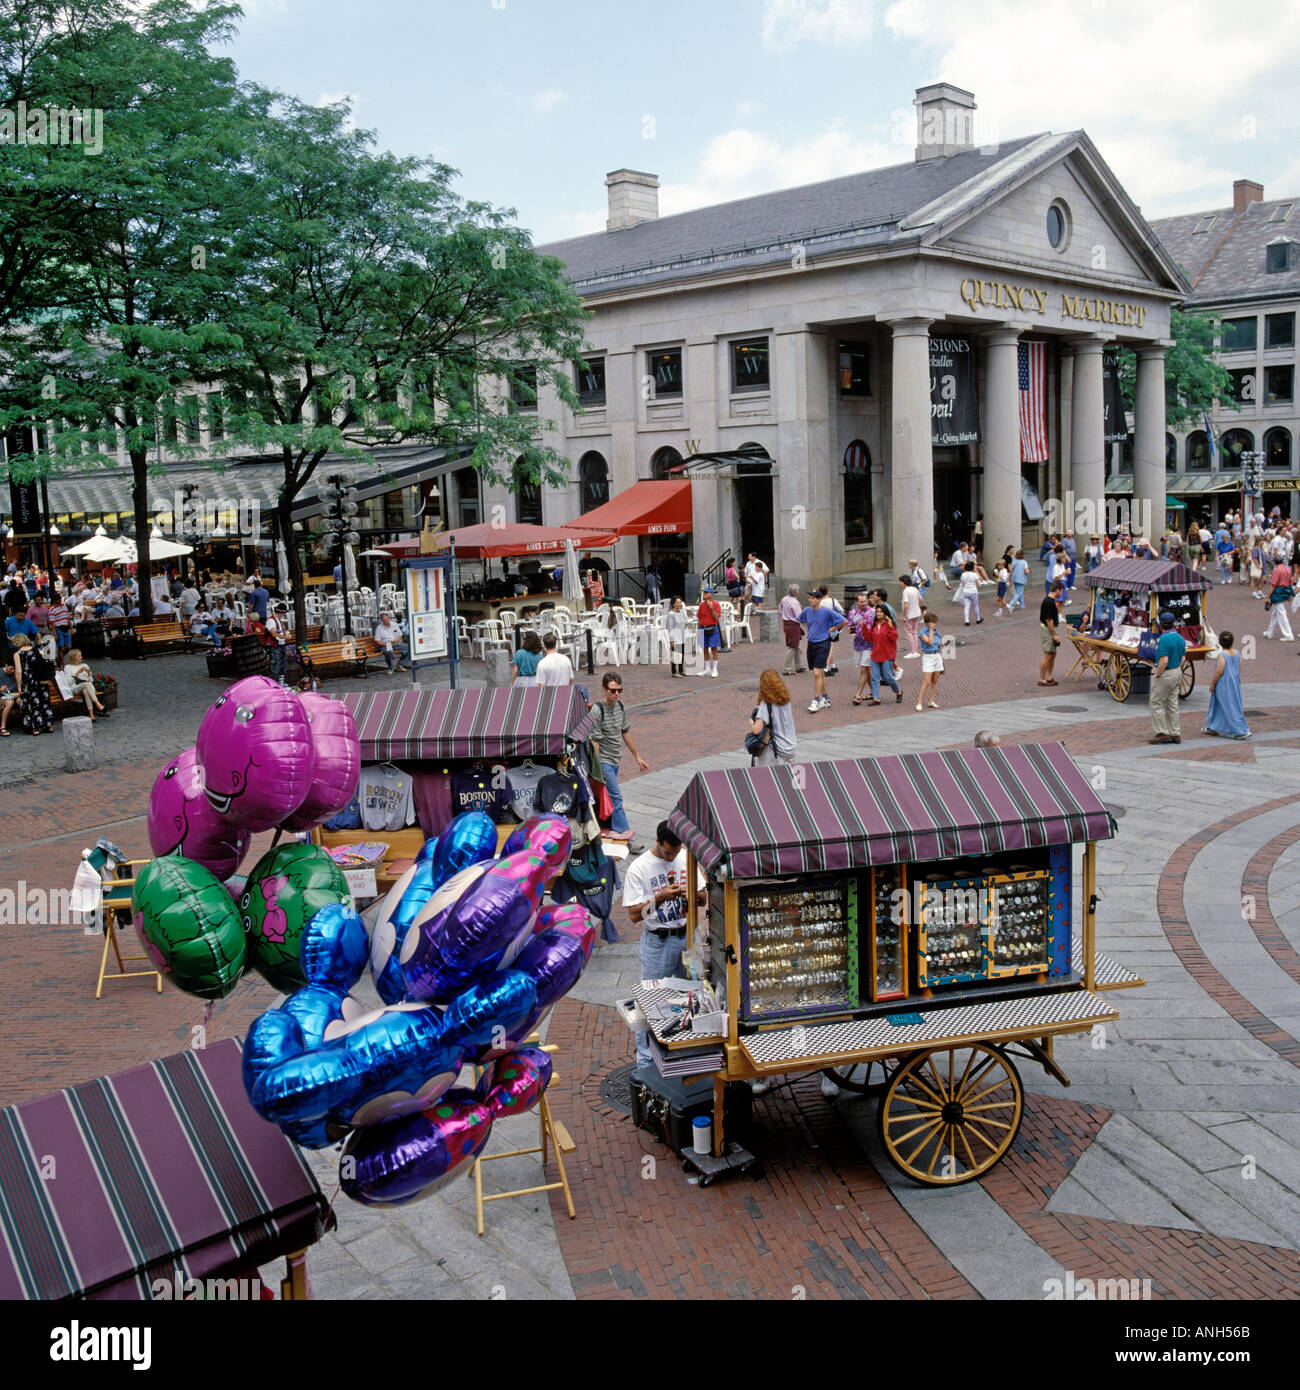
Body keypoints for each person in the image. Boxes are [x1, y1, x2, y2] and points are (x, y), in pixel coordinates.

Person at [623, 822, 707, 1070]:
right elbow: (635, 916)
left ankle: (686, 1050)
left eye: (676, 852)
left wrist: (688, 892)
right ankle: (646, 1061)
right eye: (668, 853)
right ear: (658, 843)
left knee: (692, 995)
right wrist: (659, 899)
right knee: (649, 1000)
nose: (673, 857)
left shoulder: (685, 859)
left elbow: (702, 900)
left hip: (686, 938)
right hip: (657, 942)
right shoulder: (639, 868)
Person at [589, 671, 648, 844]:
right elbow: (595, 741)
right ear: (604, 689)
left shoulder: (620, 707)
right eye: (613, 690)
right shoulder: (597, 710)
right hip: (605, 762)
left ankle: (603, 830)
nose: (616, 694)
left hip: (616, 760)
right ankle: (626, 837)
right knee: (616, 797)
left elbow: (626, 731)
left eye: (619, 690)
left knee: (606, 798)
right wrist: (597, 767)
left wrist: (637, 756)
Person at [799, 590, 847, 713]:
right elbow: (801, 619)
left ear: (819, 600)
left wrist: (833, 628)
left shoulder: (827, 612)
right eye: (810, 598)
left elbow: (844, 621)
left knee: (816, 673)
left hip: (823, 644)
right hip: (811, 644)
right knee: (819, 672)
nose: (810, 600)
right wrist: (810, 627)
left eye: (813, 598)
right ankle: (825, 698)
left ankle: (816, 700)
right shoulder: (807, 610)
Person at [1202, 631, 1250, 740]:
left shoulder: (1221, 655)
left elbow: (1219, 671)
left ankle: (1240, 730)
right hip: (1235, 681)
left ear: (1220, 642)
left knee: (1228, 706)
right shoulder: (1237, 653)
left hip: (1224, 683)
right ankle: (1213, 726)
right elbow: (1239, 667)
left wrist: (1212, 683)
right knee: (1226, 704)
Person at [1148, 610, 1186, 745]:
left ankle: (1162, 732)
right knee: (1172, 703)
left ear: (1162, 624)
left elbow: (1164, 660)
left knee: (1156, 702)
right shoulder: (1180, 638)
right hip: (1177, 671)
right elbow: (1183, 658)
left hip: (1166, 672)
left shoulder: (1164, 638)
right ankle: (1175, 732)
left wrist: (1158, 674)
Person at [748, 669, 797, 765]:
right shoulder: (786, 700)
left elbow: (757, 730)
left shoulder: (766, 704)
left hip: (774, 750)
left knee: (768, 778)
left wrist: (751, 722)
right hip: (790, 747)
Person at [10, 634, 53, 735]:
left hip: (29, 681)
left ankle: (35, 727)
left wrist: (19, 686)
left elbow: (19, 671)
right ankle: (48, 725)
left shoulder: (18, 653)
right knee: (44, 701)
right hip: (41, 679)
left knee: (32, 703)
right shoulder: (36, 649)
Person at [866, 604, 901, 705]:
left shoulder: (890, 624)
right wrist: (864, 627)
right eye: (877, 612)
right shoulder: (875, 625)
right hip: (876, 654)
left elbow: (894, 638)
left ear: (885, 613)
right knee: (875, 677)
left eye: (880, 612)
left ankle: (898, 691)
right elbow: (869, 638)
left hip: (887, 654)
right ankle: (876, 698)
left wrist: (890, 626)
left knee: (888, 676)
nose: (878, 614)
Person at [847, 592, 877, 705]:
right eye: (861, 602)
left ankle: (857, 695)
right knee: (867, 669)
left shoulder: (873, 612)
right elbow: (850, 625)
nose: (864, 603)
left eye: (865, 601)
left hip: (869, 644)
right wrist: (849, 629)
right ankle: (874, 692)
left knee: (863, 669)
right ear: (856, 602)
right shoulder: (852, 613)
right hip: (858, 644)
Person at [63, 648, 108, 720]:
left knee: (85, 690)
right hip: (75, 688)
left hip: (88, 687)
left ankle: (91, 715)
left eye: (81, 656)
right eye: (79, 656)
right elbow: (69, 682)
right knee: (86, 684)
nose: (81, 657)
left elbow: (91, 680)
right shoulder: (68, 667)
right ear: (73, 657)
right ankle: (97, 703)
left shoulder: (85, 665)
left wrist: (88, 673)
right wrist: (77, 673)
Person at [916, 610, 944, 711]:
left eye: (935, 622)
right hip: (928, 657)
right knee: (926, 681)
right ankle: (919, 702)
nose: (934, 624)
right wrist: (931, 631)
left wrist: (942, 644)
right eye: (932, 622)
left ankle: (931, 701)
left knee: (935, 680)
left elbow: (937, 643)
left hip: (937, 656)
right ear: (927, 622)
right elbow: (930, 642)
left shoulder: (937, 631)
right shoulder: (923, 633)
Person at [1038, 581, 1064, 685]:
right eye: (1061, 590)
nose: (1062, 592)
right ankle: (1042, 678)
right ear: (1057, 590)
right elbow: (1049, 620)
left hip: (1050, 629)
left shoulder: (1050, 601)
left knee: (1052, 653)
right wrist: (1054, 634)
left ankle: (1049, 676)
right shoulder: (1048, 602)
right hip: (1048, 630)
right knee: (1047, 653)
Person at [1264, 558, 1294, 641]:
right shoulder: (1288, 569)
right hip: (1286, 591)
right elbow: (1291, 582)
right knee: (1276, 613)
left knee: (1281, 613)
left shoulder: (1277, 570)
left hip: (1278, 593)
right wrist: (1291, 594)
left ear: (1275, 562)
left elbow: (1273, 584)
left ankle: (1288, 635)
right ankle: (1270, 632)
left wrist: (1267, 596)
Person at [696, 585, 722, 678]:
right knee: (705, 649)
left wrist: (711, 609)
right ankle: (707, 669)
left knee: (714, 649)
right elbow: (699, 618)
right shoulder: (702, 605)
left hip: (713, 627)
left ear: (710, 594)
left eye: (706, 593)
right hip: (703, 627)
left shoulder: (716, 604)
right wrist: (698, 630)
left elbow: (717, 617)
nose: (704, 594)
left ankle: (714, 669)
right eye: (704, 592)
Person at [779, 583, 804, 676]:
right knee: (792, 646)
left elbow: (780, 611)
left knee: (796, 645)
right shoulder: (795, 602)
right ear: (796, 592)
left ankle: (799, 666)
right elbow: (799, 616)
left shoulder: (784, 599)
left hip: (786, 623)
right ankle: (786, 668)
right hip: (793, 624)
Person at [265, 603, 290, 683]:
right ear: (280, 612)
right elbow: (273, 633)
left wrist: (286, 633)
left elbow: (282, 630)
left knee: (282, 665)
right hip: (275, 645)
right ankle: (274, 683)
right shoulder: (271, 621)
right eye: (283, 613)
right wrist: (285, 637)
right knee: (275, 665)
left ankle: (281, 683)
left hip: (281, 644)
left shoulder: (279, 620)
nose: (283, 615)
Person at [899, 574, 922, 656]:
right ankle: (915, 651)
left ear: (903, 582)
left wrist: (903, 615)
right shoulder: (915, 589)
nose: (900, 583)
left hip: (909, 614)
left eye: (900, 582)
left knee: (909, 632)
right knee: (915, 632)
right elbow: (921, 599)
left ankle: (913, 651)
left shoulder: (905, 591)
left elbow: (906, 605)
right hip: (917, 613)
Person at [666, 596, 687, 677]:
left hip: (681, 636)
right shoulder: (671, 614)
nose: (679, 604)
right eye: (677, 602)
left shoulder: (682, 612)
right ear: (673, 604)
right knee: (675, 655)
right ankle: (674, 672)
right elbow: (670, 628)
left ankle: (681, 670)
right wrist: (672, 640)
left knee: (681, 654)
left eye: (680, 602)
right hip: (675, 637)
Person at [956, 561, 982, 625]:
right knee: (975, 606)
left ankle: (967, 620)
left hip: (965, 591)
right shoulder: (974, 574)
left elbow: (963, 583)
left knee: (966, 606)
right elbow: (980, 584)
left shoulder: (963, 574)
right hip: (973, 591)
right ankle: (978, 619)